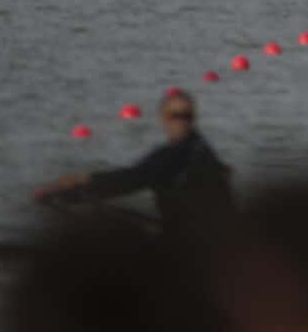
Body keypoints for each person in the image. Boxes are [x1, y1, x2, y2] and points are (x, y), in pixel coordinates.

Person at [33, 90, 234, 238]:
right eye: (175, 116)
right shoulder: (202, 147)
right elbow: (134, 176)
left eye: (186, 116)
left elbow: (128, 180)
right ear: (163, 119)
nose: (181, 121)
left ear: (193, 119)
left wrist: (73, 186)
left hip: (194, 247)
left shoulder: (175, 155)